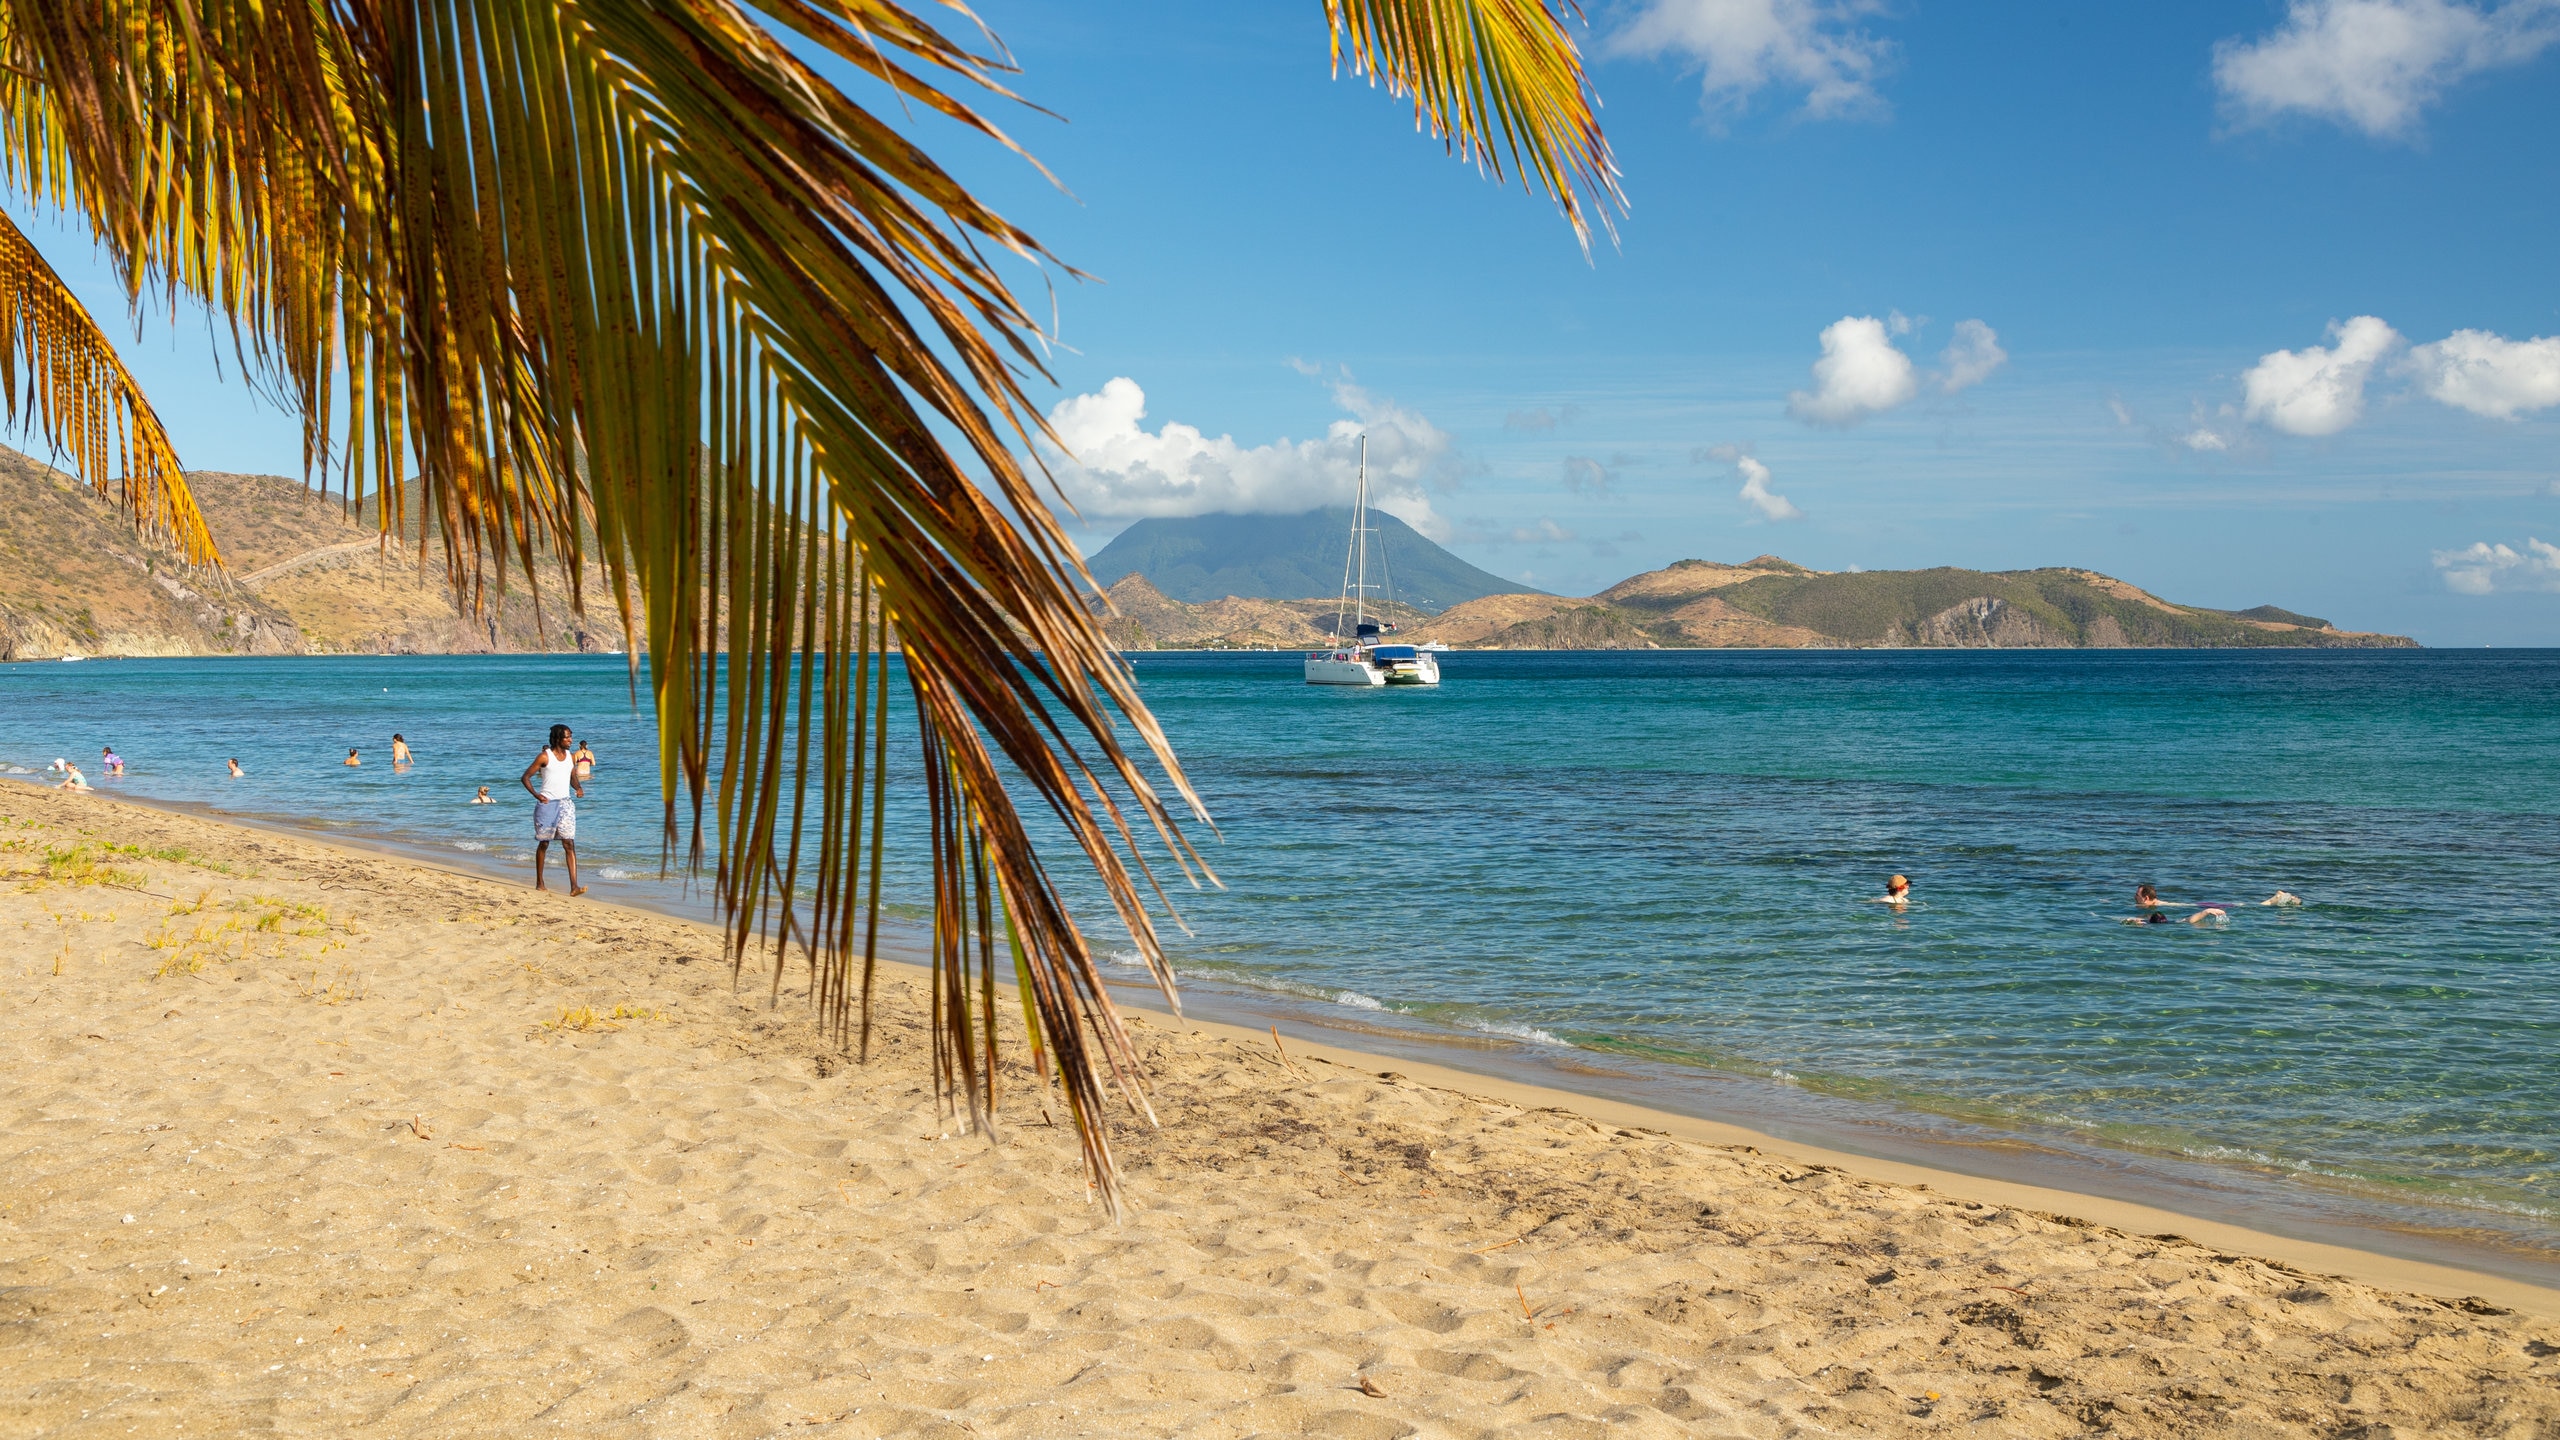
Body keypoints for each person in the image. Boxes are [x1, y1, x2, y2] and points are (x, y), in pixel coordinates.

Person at [519, 723, 586, 896]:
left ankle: (574, 887)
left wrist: (578, 788)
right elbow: (525, 777)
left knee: (569, 843)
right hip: (547, 805)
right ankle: (539, 882)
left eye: (571, 736)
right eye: (567, 737)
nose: (570, 740)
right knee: (544, 843)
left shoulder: (571, 757)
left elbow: (572, 777)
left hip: (565, 804)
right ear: (558, 738)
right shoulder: (544, 756)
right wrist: (537, 795)